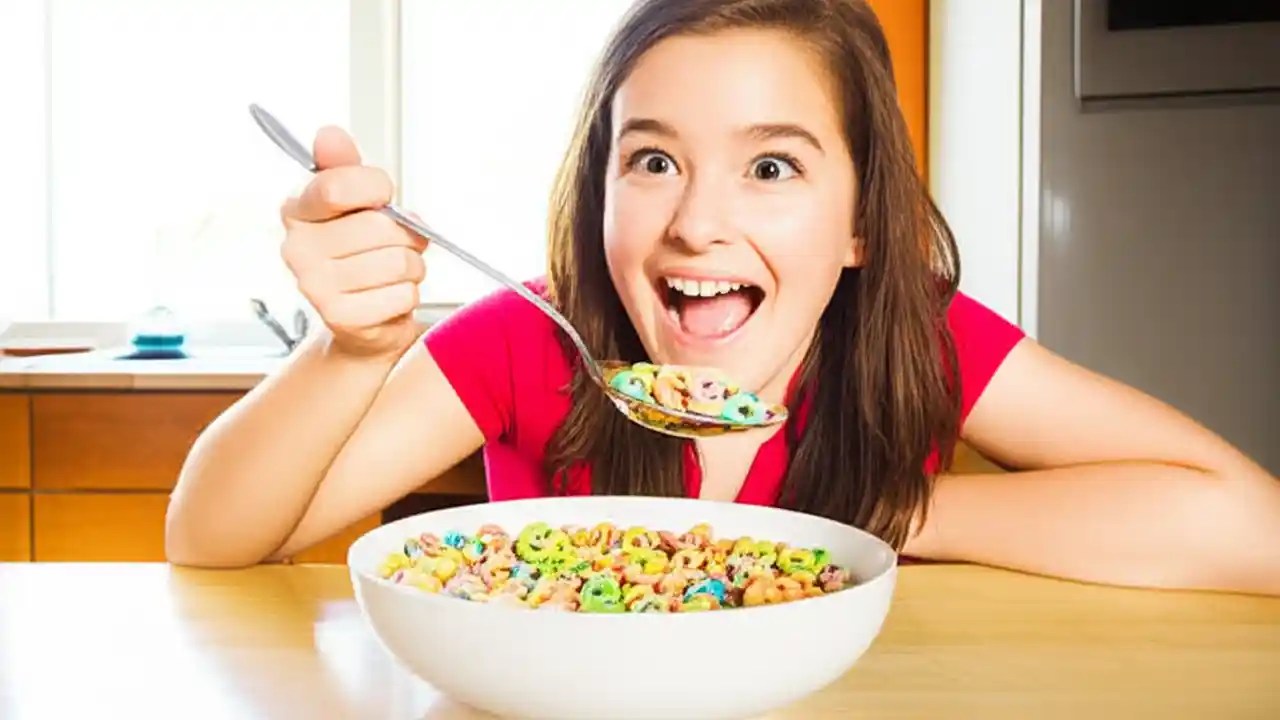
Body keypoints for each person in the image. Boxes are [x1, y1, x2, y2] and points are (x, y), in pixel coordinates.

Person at [165, 0, 1279, 595]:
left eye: (771, 167)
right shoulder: (525, 337)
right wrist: (347, 354)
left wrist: (882, 517)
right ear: (594, 188)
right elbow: (214, 541)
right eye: (651, 161)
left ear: (856, 223)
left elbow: (1255, 530)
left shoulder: (910, 337)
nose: (697, 221)